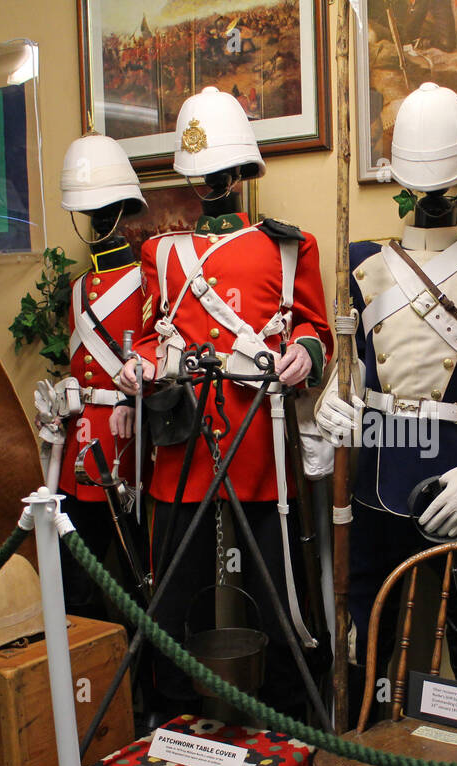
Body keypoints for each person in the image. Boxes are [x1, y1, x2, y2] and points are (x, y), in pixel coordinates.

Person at [115, 87, 332, 721]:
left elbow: (312, 329)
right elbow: (158, 335)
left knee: (276, 577)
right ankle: (172, 710)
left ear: (241, 174)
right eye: (202, 174)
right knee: (175, 582)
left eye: (222, 172)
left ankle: (289, 713)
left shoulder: (292, 247)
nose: (213, 183)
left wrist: (306, 356)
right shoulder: (161, 252)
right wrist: (141, 365)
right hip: (183, 433)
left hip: (258, 433)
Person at [314, 83, 457, 694]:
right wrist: (332, 401)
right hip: (375, 474)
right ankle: (360, 749)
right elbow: (345, 360)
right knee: (363, 633)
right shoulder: (355, 264)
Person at [39, 133, 151, 622]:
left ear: (127, 212)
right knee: (76, 575)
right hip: (79, 439)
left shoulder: (149, 277)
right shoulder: (79, 287)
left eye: (110, 211)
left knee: (136, 576)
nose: (101, 222)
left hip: (126, 443)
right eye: (93, 212)